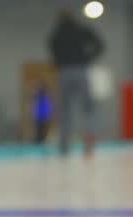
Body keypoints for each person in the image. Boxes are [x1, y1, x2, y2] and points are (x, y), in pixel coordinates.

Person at [48, 9, 104, 157]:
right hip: (80, 70)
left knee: (65, 110)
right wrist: (88, 58)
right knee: (88, 108)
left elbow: (52, 51)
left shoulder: (57, 33)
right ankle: (89, 140)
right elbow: (99, 44)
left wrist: (59, 63)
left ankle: (64, 145)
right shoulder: (81, 30)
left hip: (64, 72)